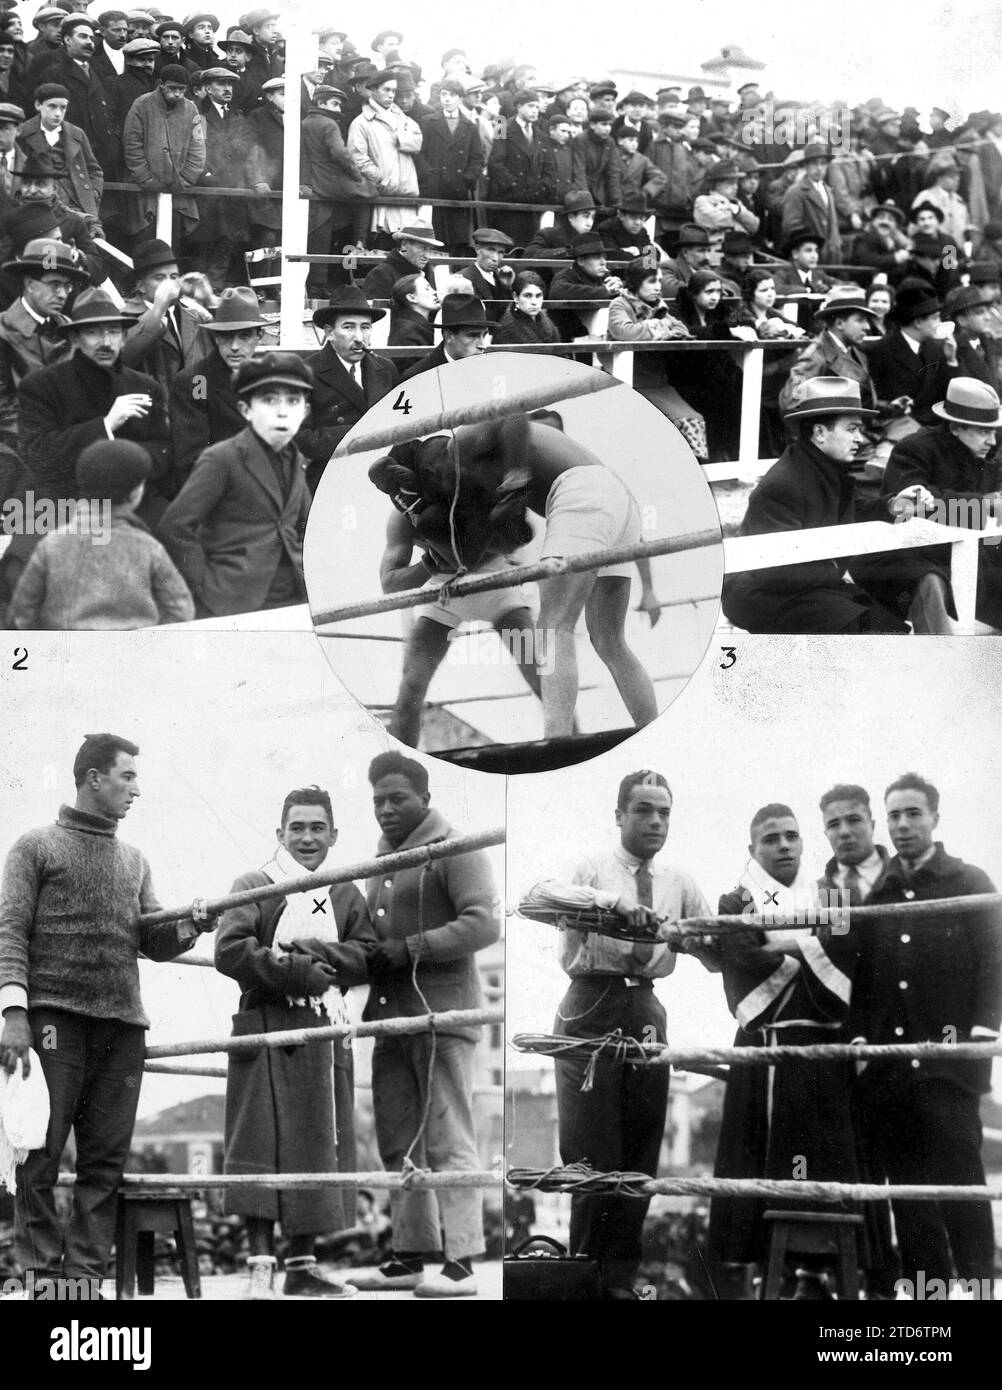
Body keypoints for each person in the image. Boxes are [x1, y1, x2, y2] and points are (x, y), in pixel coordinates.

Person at [0, 733, 212, 1298]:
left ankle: (83, 1281)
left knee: (104, 1162)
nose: (136, 790)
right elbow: (11, 930)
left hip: (122, 1027)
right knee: (39, 1155)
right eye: (127, 777)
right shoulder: (34, 846)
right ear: (93, 778)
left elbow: (153, 939)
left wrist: (192, 923)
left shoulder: (135, 859)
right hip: (53, 1021)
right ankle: (40, 1279)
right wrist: (13, 1012)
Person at [526, 769, 717, 1297]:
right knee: (592, 1155)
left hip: (647, 1008)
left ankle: (621, 1283)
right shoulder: (591, 866)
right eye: (643, 810)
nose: (655, 821)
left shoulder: (680, 881)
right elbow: (537, 892)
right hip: (591, 1001)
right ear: (619, 816)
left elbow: (715, 954)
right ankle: (587, 1281)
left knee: (640, 1155)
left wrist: (725, 925)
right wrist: (609, 904)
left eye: (664, 812)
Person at [214, 785, 378, 1299]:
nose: (307, 838)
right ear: (280, 833)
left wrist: (313, 953)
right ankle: (260, 1267)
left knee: (316, 1139)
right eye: (297, 828)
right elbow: (230, 949)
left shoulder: (347, 892)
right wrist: (289, 970)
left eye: (317, 828)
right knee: (260, 1140)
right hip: (266, 1023)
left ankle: (302, 1267)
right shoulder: (256, 883)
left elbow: (368, 954)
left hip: (325, 1031)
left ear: (334, 834)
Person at [351, 752, 499, 1298]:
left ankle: (461, 1261)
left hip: (443, 1015)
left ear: (425, 800)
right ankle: (409, 1255)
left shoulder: (453, 846)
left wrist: (411, 948)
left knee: (448, 1135)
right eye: (377, 802)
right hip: (392, 1021)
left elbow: (484, 923)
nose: (386, 810)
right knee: (398, 1139)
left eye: (397, 799)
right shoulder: (384, 858)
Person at [851, 774, 1002, 1292]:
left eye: (913, 813)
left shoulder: (970, 882)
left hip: (950, 1070)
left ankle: (981, 1291)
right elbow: (864, 983)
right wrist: (864, 1046)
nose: (902, 825)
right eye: (893, 815)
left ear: (935, 817)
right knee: (910, 1201)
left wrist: (981, 1039)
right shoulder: (880, 895)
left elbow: (994, 966)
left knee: (962, 1190)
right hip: (892, 1076)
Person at [707, 802, 860, 1289]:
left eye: (792, 836)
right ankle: (769, 1275)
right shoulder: (736, 901)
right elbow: (739, 960)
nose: (784, 846)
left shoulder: (832, 893)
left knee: (829, 1163)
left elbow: (846, 953)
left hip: (823, 1047)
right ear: (752, 849)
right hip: (765, 1041)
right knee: (760, 1160)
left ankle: (822, 1272)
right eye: (771, 839)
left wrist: (780, 943)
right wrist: (808, 941)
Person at [721, 376, 910, 634]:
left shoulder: (823, 468)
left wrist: (893, 506)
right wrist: (833, 570)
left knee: (890, 628)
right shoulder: (783, 485)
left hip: (807, 585)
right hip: (762, 595)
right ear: (820, 432)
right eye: (851, 429)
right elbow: (775, 571)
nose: (861, 439)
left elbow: (855, 510)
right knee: (872, 633)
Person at [377, 488, 542, 748]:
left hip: (496, 584)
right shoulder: (402, 516)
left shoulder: (476, 487)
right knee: (411, 685)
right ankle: (403, 765)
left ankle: (573, 753)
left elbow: (521, 535)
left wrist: (474, 542)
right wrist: (430, 563)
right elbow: (390, 584)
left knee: (540, 674)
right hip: (444, 594)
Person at [158, 351, 312, 616]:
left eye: (293, 401)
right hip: (232, 601)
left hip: (292, 598)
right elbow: (174, 527)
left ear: (305, 411)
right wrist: (205, 586)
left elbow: (304, 525)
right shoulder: (222, 458)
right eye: (269, 400)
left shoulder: (295, 458)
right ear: (246, 410)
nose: (283, 411)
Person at [854, 379, 1002, 631]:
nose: (991, 440)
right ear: (955, 427)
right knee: (930, 583)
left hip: (975, 553)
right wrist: (984, 503)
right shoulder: (914, 449)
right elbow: (911, 508)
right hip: (915, 555)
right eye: (983, 431)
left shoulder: (989, 454)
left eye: (993, 431)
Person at [9, 436, 194, 627]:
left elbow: (22, 612)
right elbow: (181, 609)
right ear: (136, 493)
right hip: (132, 650)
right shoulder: (149, 547)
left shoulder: (50, 545)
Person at [17, 286, 172, 509]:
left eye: (113, 331)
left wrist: (124, 465)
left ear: (124, 338)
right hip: (69, 505)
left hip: (136, 502)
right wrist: (106, 425)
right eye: (94, 332)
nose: (106, 342)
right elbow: (38, 455)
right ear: (75, 338)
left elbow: (164, 450)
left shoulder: (146, 386)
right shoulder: (42, 386)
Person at [297, 284, 398, 494]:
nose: (360, 338)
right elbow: (301, 439)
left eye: (366, 327)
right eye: (349, 327)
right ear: (329, 332)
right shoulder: (306, 373)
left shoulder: (385, 369)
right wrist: (360, 433)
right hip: (329, 480)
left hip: (379, 478)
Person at [606, 256, 705, 458]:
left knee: (692, 419)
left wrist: (660, 326)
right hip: (628, 382)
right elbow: (623, 331)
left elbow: (681, 328)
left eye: (659, 281)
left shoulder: (659, 307)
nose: (658, 287)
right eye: (652, 281)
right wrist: (656, 327)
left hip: (657, 382)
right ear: (635, 283)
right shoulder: (620, 304)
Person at [169, 284, 266, 485]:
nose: (235, 347)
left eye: (245, 336)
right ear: (215, 337)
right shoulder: (197, 380)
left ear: (260, 337)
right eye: (226, 336)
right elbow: (193, 457)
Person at [119, 64, 205, 247]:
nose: (177, 94)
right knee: (146, 242)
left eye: (182, 89)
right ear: (161, 84)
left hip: (178, 192)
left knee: (174, 244)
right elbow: (132, 145)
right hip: (145, 193)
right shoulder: (141, 105)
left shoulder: (192, 109)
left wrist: (186, 178)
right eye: (172, 88)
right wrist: (147, 179)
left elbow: (199, 147)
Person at [119, 237, 210, 393]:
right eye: (159, 278)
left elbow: (207, 365)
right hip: (155, 412)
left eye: (174, 277)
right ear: (140, 286)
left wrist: (210, 299)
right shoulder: (124, 318)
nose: (169, 284)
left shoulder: (193, 316)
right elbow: (125, 357)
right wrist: (159, 306)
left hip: (192, 410)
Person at [347, 68, 425, 247]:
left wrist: (400, 137)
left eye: (393, 91)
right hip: (381, 198)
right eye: (386, 90)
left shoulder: (403, 118)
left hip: (406, 194)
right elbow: (358, 158)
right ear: (373, 90)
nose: (391, 95)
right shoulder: (361, 123)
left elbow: (418, 140)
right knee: (383, 249)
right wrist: (380, 177)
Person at [16, 81, 103, 227]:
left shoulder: (77, 134)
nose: (58, 113)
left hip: (77, 200)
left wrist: (94, 193)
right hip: (39, 199)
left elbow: (94, 169)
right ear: (38, 105)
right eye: (52, 106)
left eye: (63, 108)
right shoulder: (23, 133)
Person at [418, 77, 482, 256]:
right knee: (433, 240)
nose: (446, 99)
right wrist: (428, 175)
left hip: (458, 193)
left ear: (461, 98)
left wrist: (466, 179)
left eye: (452, 95)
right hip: (434, 189)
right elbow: (420, 153)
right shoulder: (428, 121)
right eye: (444, 94)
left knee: (457, 241)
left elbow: (477, 158)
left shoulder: (470, 127)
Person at [486, 88, 553, 247]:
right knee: (509, 247)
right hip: (509, 202)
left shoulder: (540, 133)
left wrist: (542, 188)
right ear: (519, 106)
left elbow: (549, 167)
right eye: (530, 106)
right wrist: (514, 186)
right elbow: (495, 163)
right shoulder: (502, 125)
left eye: (537, 107)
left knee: (529, 248)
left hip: (533, 202)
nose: (535, 111)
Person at [548, 231, 622, 342]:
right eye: (597, 257)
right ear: (581, 261)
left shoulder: (603, 276)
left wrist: (618, 289)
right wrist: (605, 291)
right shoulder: (566, 276)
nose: (603, 262)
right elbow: (557, 291)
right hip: (566, 339)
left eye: (604, 257)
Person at [398, 291, 489, 381]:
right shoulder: (418, 378)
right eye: (473, 336)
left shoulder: (490, 373)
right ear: (448, 336)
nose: (482, 345)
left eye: (484, 336)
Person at [360, 221, 440, 303]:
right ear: (404, 245)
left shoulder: (428, 272)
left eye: (430, 250)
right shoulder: (381, 275)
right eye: (423, 248)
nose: (427, 255)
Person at [452, 226, 513, 324]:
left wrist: (507, 287)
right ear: (477, 249)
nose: (495, 258)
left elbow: (509, 315)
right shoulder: (462, 279)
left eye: (500, 252)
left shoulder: (502, 278)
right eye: (491, 250)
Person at [491, 269, 561, 347]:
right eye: (528, 296)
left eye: (538, 296)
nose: (534, 302)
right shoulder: (507, 329)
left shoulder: (546, 321)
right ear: (515, 297)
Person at [387, 271, 436, 373]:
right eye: (427, 289)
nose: (434, 292)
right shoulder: (405, 331)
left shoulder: (413, 326)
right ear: (411, 297)